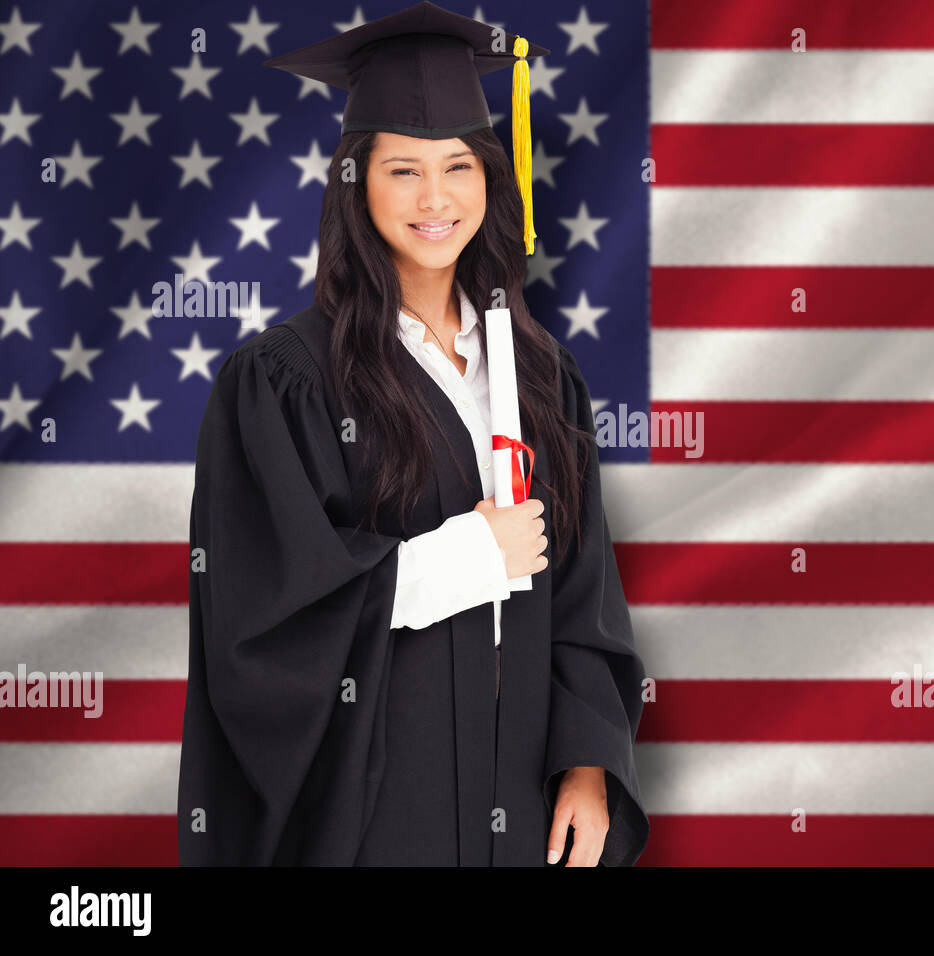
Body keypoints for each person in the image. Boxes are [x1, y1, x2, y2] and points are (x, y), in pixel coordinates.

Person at [176, 1, 649, 867]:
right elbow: (258, 615)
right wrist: (467, 555)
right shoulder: (284, 380)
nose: (436, 200)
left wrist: (587, 760)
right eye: (402, 171)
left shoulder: (539, 371)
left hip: (524, 793)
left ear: (490, 180)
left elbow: (585, 586)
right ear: (355, 185)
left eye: (459, 166)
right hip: (377, 805)